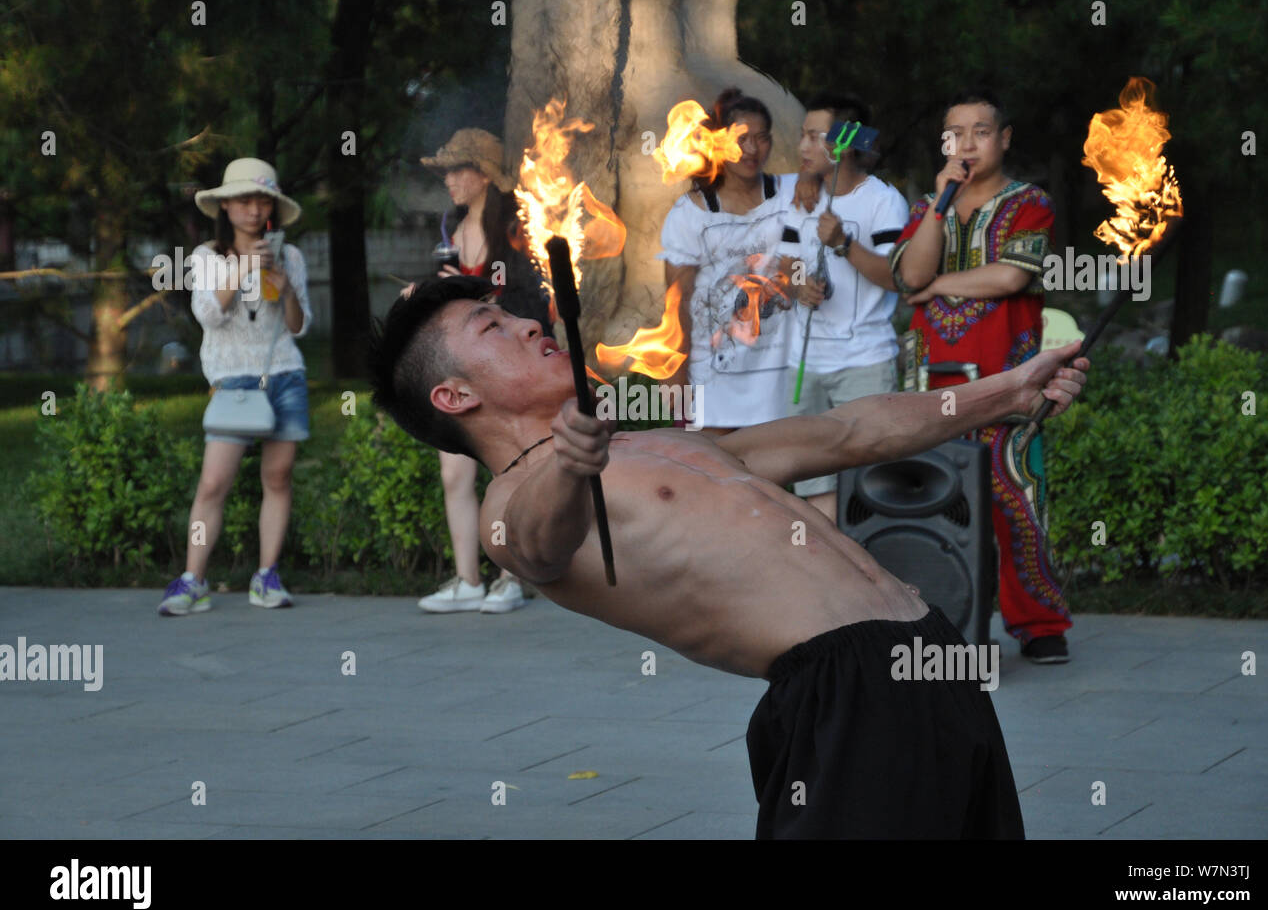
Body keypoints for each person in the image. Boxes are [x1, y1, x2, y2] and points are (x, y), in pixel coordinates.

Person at [367, 275, 1090, 838]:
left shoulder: (662, 444)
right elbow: (537, 541)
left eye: (514, 313)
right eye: (492, 326)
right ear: (454, 394)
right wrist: (569, 461)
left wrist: (1003, 393)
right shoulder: (513, 503)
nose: (529, 322)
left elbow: (846, 433)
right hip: (843, 695)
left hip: (931, 656)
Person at [890, 90, 1070, 664]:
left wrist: (939, 285)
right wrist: (942, 205)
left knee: (1016, 498)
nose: (967, 143)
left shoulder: (1028, 203)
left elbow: (1012, 277)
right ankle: (945, 623)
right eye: (955, 133)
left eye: (981, 131)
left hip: (1008, 379)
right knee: (934, 505)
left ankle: (1040, 625)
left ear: (1005, 138)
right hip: (931, 384)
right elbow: (908, 274)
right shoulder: (927, 207)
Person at [158, 158, 312, 616]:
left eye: (261, 200)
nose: (252, 208)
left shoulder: (292, 256)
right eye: (243, 200)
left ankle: (266, 576)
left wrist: (284, 290)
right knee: (213, 483)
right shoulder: (207, 256)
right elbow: (208, 314)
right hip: (232, 380)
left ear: (272, 208)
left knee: (278, 478)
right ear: (225, 207)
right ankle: (193, 579)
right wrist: (243, 266)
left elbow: (300, 327)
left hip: (284, 372)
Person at [410, 128, 551, 613]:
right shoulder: (450, 228)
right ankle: (468, 578)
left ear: (484, 174)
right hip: (461, 365)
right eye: (445, 171)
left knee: (506, 468)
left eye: (457, 169)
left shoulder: (517, 226)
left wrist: (477, 296)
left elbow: (533, 300)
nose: (449, 180)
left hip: (503, 364)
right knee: (454, 471)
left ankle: (509, 578)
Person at [779, 92, 910, 521]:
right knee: (815, 487)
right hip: (806, 363)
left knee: (869, 488)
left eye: (815, 137)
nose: (802, 147)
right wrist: (800, 286)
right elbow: (785, 262)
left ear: (844, 143)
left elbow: (899, 275)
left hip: (865, 363)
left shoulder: (883, 201)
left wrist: (844, 245)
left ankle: (876, 580)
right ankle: (828, 579)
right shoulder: (797, 197)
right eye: (803, 136)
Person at [658, 88, 798, 435]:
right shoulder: (691, 214)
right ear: (718, 142)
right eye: (742, 138)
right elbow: (678, 303)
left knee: (773, 476)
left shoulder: (791, 194)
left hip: (778, 376)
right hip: (714, 377)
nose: (752, 150)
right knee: (715, 477)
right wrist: (677, 380)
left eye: (762, 138)